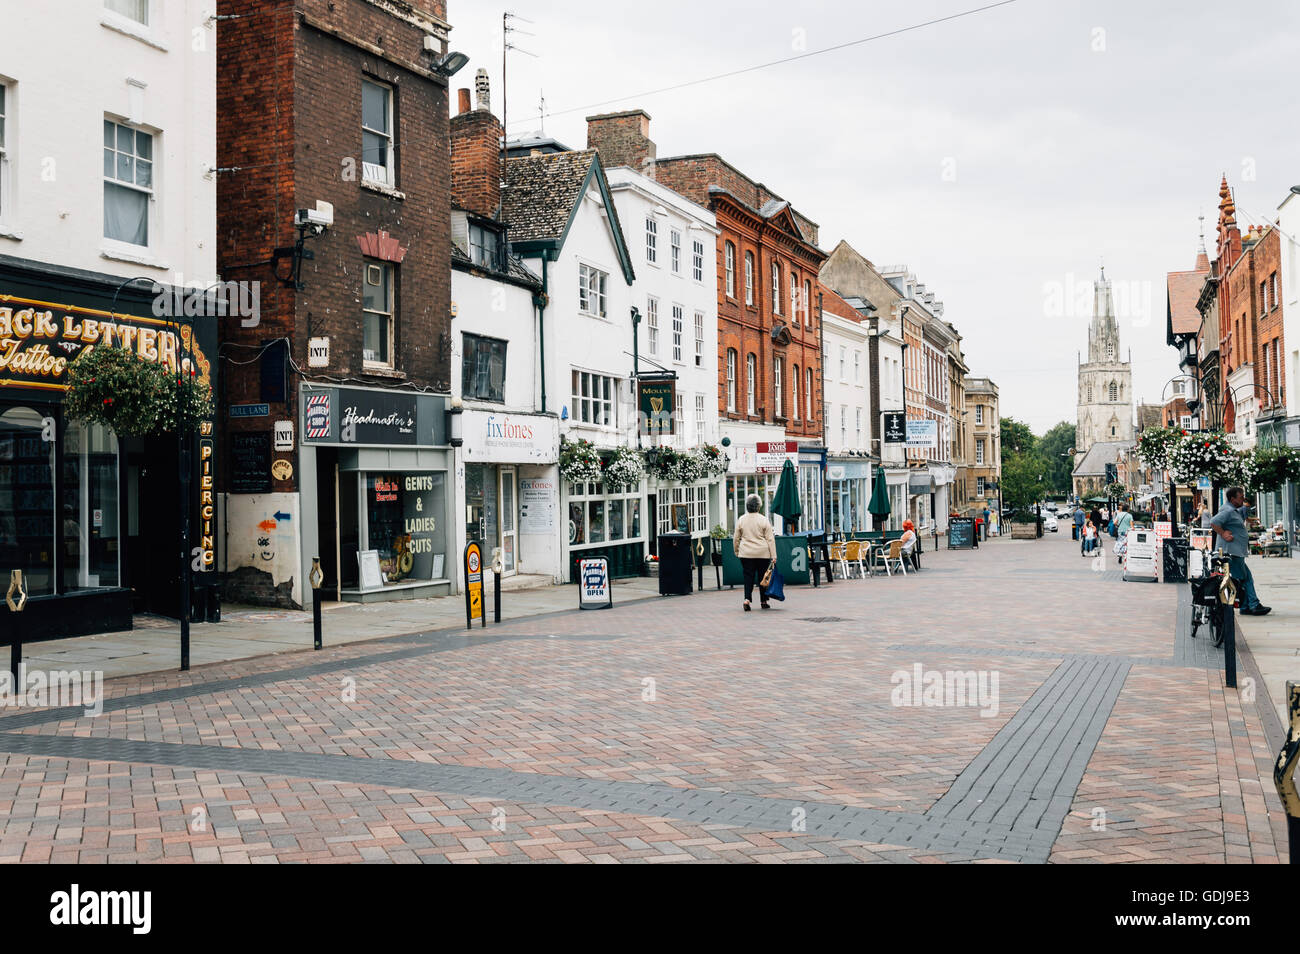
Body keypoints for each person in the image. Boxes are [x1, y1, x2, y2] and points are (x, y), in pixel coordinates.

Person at [1211, 487, 1270, 615]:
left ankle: (1246, 606)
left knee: (1245, 578)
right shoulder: (1228, 510)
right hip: (1232, 552)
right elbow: (1214, 522)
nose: (1243, 499)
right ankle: (1253, 605)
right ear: (1233, 499)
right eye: (1241, 497)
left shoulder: (1232, 510)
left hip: (1235, 552)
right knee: (1245, 579)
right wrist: (1223, 533)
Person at [733, 493, 777, 611]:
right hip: (762, 553)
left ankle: (747, 599)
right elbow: (770, 539)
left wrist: (737, 551)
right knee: (763, 577)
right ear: (759, 506)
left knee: (748, 576)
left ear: (747, 506)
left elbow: (736, 538)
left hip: (746, 553)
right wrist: (773, 555)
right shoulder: (763, 520)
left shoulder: (741, 520)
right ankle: (763, 601)